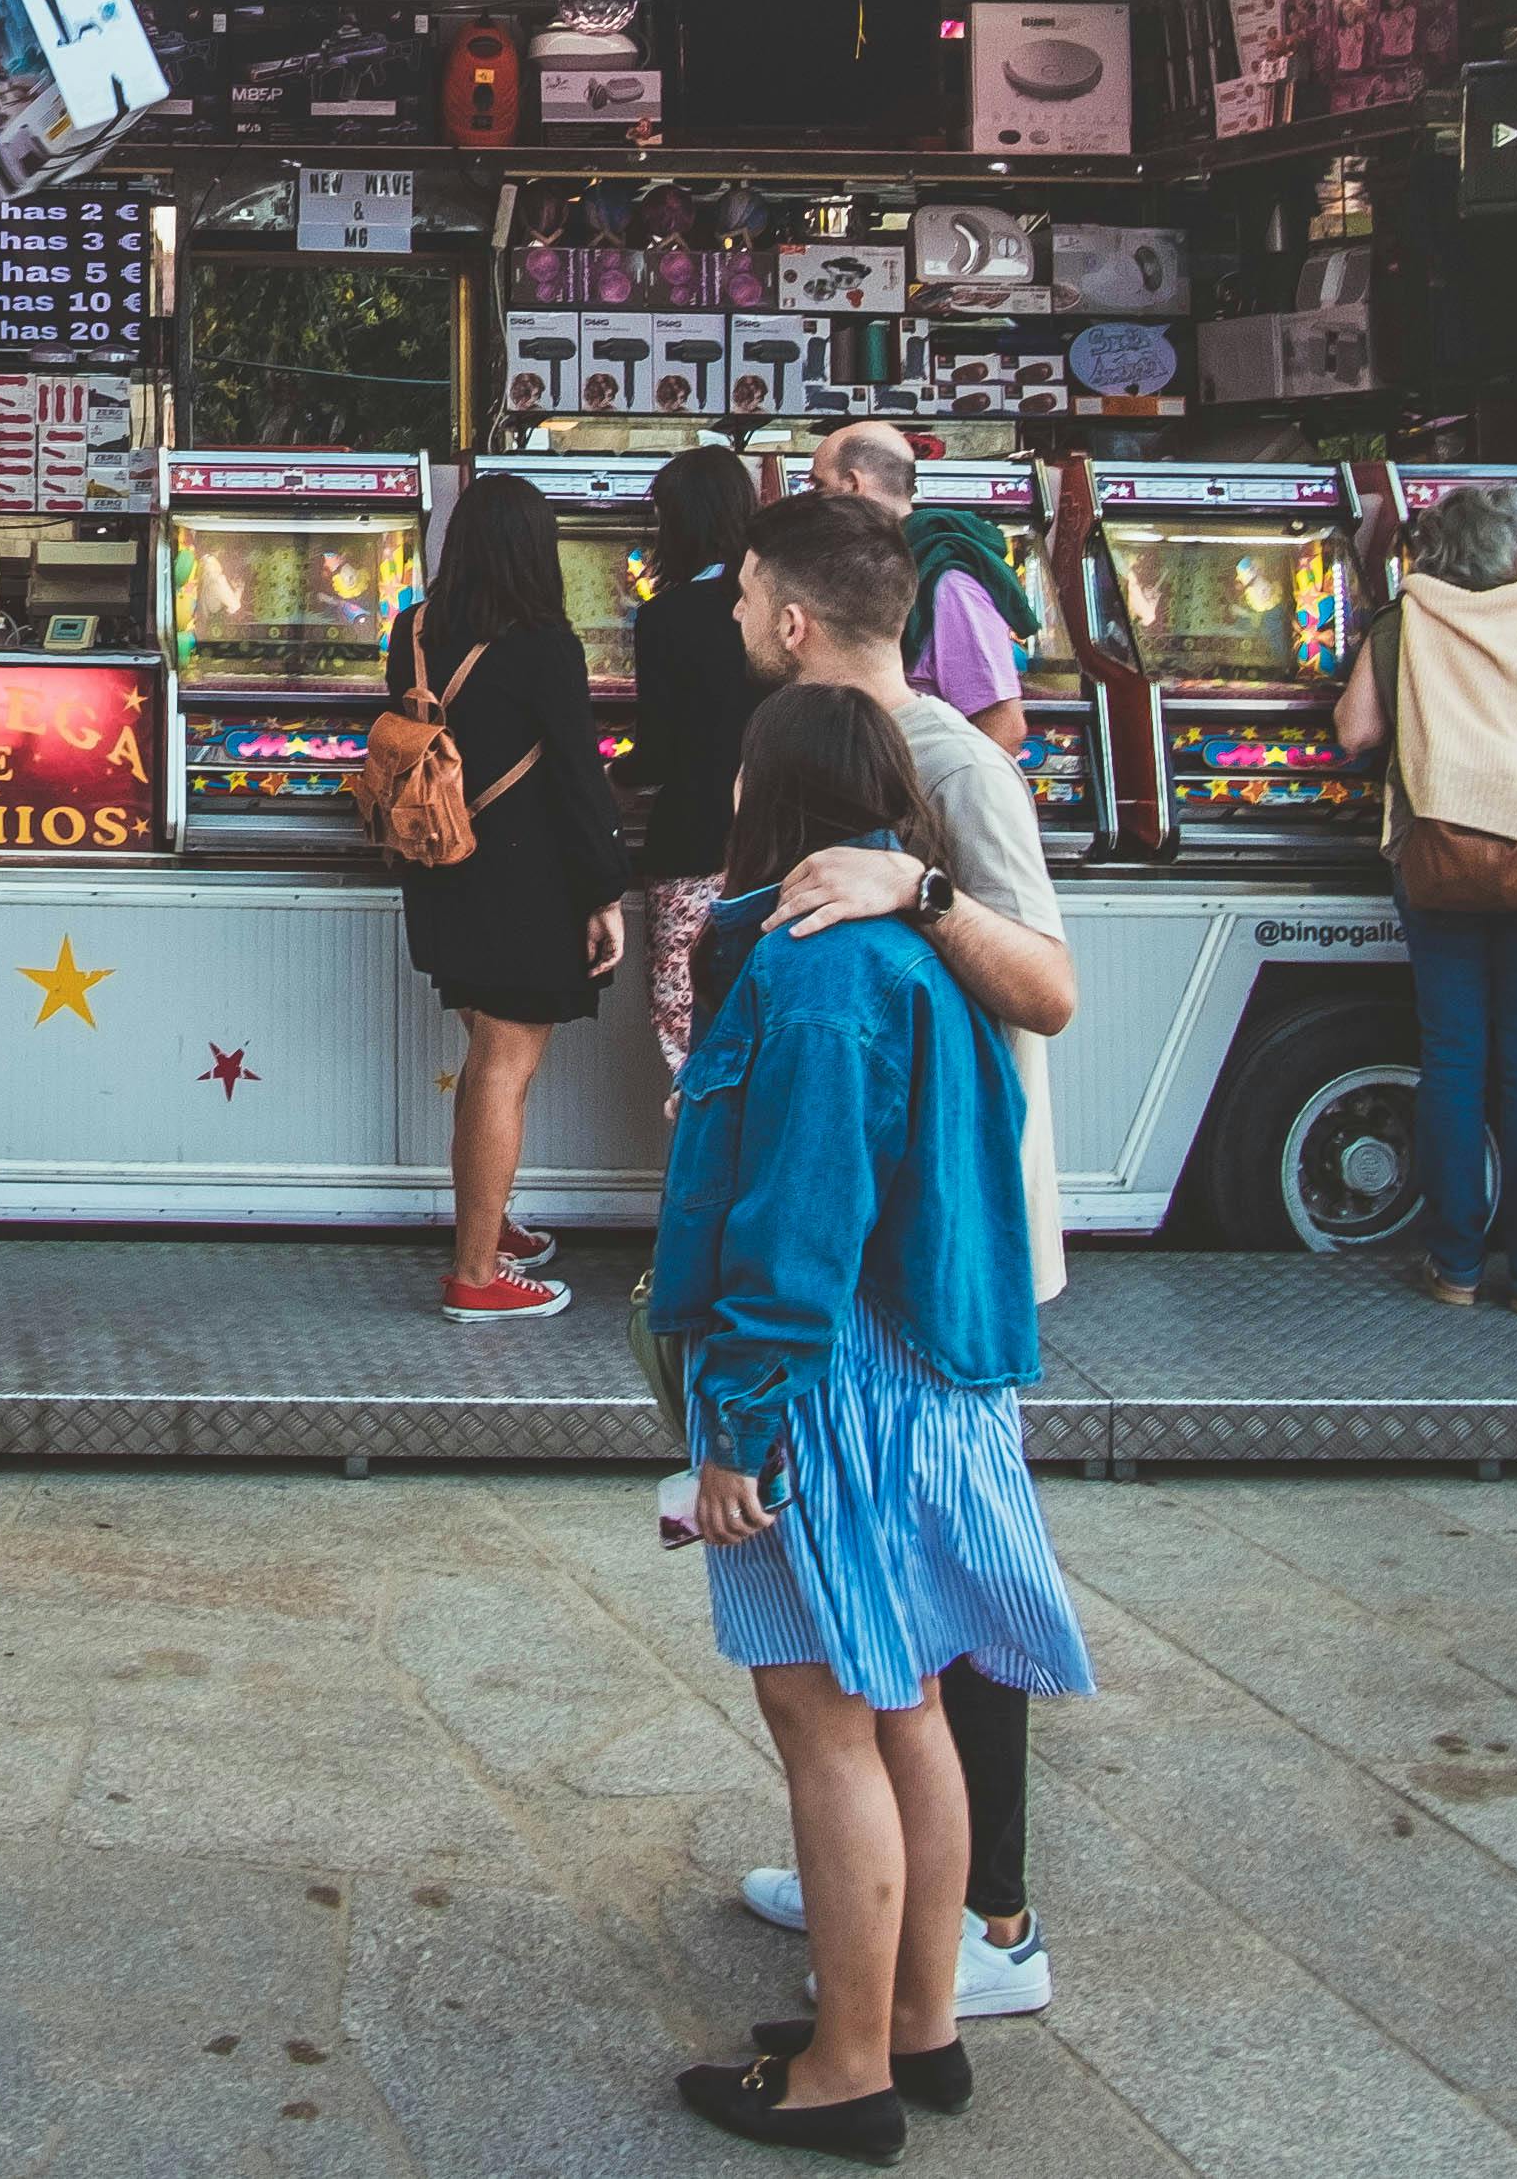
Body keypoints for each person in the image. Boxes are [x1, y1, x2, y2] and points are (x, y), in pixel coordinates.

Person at [656, 683, 1094, 2162]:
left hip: (831, 1390)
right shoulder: (917, 950)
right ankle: (918, 2022)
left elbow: (797, 1229)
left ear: (766, 793)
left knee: (822, 1715)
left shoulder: (816, 976)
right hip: (927, 1378)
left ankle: (844, 2071)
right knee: (907, 1701)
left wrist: (735, 1428)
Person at [722, 489, 1082, 2026]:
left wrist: (921, 894)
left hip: (928, 1259)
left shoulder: (952, 766)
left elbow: (1050, 985)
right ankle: (886, 1930)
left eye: (742, 596)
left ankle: (985, 1923)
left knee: (935, 1635)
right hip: (886, 1242)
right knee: (889, 1663)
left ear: (793, 623)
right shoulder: (825, 777)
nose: (730, 619)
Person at [1331, 479, 1517, 1316]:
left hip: (1439, 866)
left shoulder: (1406, 619)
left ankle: (1453, 1263)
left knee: (1452, 1061)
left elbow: (1355, 732)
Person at [391, 467, 629, 1318]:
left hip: (441, 869)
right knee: (503, 1070)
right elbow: (577, 776)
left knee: (486, 1056)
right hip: (524, 883)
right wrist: (607, 892)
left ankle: (486, 1228)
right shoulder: (542, 643)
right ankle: (476, 1275)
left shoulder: (411, 628)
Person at [632, 441, 769, 1085]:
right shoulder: (779, 609)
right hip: (777, 846)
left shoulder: (666, 617)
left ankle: (699, 1173)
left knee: (687, 1031)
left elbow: (656, 753)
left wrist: (611, 777)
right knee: (769, 1025)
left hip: (690, 841)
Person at [817, 420, 1030, 759]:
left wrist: (926, 801)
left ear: (853, 485)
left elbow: (1003, 727)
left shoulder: (947, 584)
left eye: (819, 486)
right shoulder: (871, 569)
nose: (814, 503)